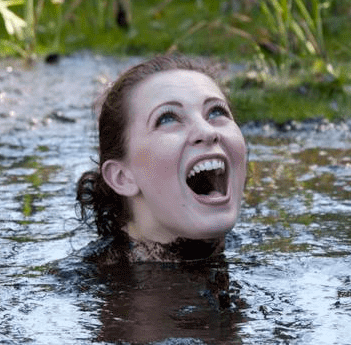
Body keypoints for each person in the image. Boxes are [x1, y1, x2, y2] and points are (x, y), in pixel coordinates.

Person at [76, 55, 247, 263]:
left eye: (216, 111)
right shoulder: (84, 289)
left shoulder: (269, 252)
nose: (207, 130)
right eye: (167, 118)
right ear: (122, 177)